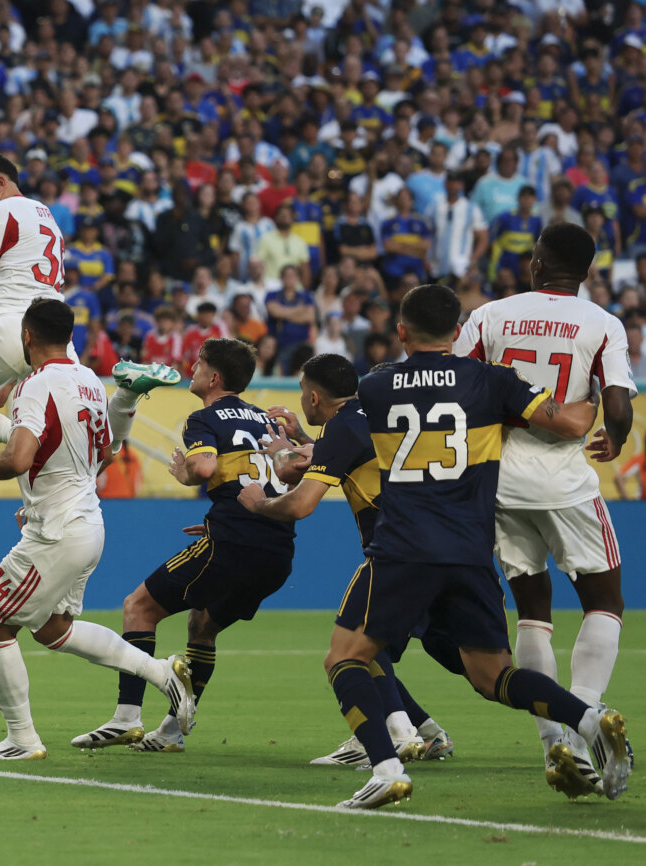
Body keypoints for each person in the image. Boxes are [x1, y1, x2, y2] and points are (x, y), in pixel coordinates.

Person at [321, 282, 631, 809]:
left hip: (403, 547)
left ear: (400, 332)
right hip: (470, 550)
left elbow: (344, 443)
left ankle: (387, 767)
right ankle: (587, 717)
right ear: (459, 332)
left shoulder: (374, 388)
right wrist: (595, 398)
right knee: (493, 676)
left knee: (344, 658)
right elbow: (571, 421)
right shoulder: (491, 381)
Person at [0, 298, 194, 759]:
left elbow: (20, 456)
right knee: (52, 629)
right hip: (87, 522)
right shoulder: (89, 379)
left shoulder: (36, 384)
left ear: (27, 336)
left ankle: (21, 739)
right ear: (70, 336)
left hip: (57, 531)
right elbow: (105, 453)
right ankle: (163, 674)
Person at [453, 223, 637, 798]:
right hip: (564, 480)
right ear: (585, 273)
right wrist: (615, 438)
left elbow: (456, 386)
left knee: (533, 609)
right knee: (604, 601)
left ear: (535, 265)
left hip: (501, 480)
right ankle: (586, 730)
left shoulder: (490, 315)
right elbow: (618, 405)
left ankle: (553, 741)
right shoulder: (603, 324)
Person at [71, 339, 295, 753]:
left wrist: (186, 473)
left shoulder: (204, 417)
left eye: (199, 363)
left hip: (231, 544)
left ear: (214, 378)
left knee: (138, 607)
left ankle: (126, 718)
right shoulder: (266, 419)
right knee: (202, 627)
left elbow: (204, 466)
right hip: (277, 550)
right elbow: (287, 475)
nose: (191, 368)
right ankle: (171, 732)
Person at [238, 355, 455, 766]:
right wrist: (301, 441)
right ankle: (425, 730)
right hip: (442, 543)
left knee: (357, 646)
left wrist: (258, 502)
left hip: (396, 548)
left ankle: (392, 734)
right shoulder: (377, 414)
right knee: (463, 665)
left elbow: (301, 503)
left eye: (303, 393)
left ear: (314, 396)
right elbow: (343, 452)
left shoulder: (345, 426)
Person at [0, 151, 178, 455]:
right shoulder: (47, 217)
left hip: (7, 330)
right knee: (96, 451)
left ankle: (24, 439)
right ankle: (126, 395)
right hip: (52, 342)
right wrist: (8, 380)